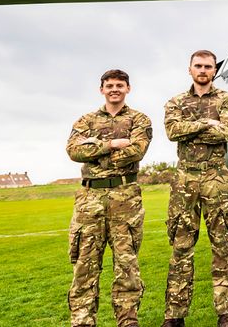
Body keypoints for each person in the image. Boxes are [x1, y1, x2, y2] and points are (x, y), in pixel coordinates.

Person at [65, 69, 153, 327]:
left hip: (125, 198)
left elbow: (136, 151)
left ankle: (127, 321)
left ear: (128, 88)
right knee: (84, 265)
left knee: (126, 264)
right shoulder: (86, 120)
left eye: (119, 85)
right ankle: (82, 322)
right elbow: (73, 150)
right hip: (89, 199)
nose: (114, 89)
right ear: (101, 89)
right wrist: (113, 144)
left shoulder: (140, 119)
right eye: (109, 85)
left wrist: (93, 146)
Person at [162, 50, 228, 327]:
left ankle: (225, 313)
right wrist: (206, 123)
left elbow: (226, 132)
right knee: (181, 247)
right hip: (185, 181)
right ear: (190, 69)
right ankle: (175, 315)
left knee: (222, 246)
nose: (203, 70)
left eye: (208, 66)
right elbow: (172, 131)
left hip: (216, 178)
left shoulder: (227, 100)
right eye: (198, 66)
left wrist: (191, 128)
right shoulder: (175, 101)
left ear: (214, 70)